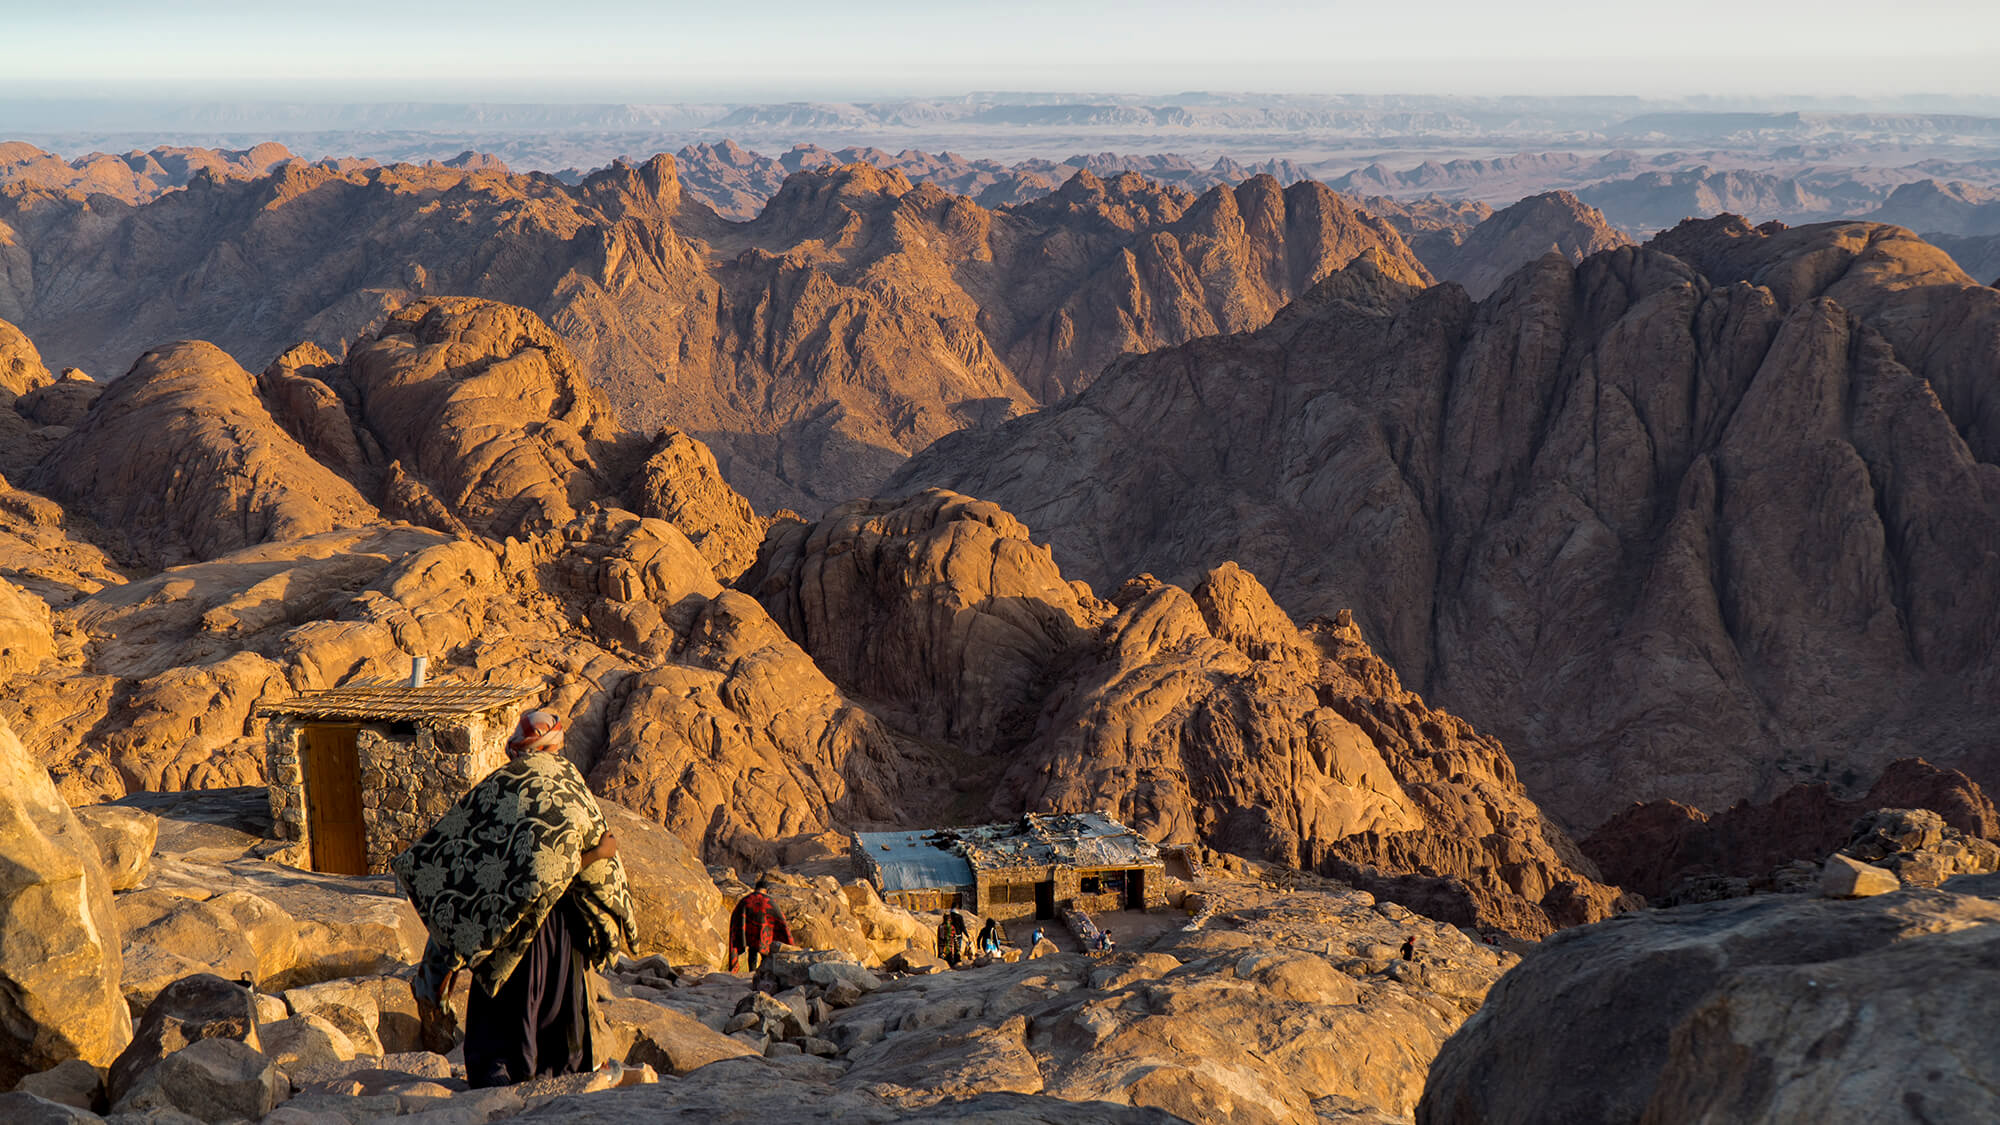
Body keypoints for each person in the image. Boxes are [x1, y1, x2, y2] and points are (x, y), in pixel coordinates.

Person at [393, 710, 636, 1089]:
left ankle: (500, 1071)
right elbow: (560, 866)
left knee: (506, 1001)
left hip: (505, 921)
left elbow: (461, 847)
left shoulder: (500, 785)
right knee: (559, 1002)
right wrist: (601, 857)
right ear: (552, 745)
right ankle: (556, 1077)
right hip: (558, 924)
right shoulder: (570, 784)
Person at [728, 878, 793, 975]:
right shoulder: (770, 901)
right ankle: (763, 974)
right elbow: (780, 919)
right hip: (765, 936)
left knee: (752, 952)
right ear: (766, 890)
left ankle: (752, 973)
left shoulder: (745, 900)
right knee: (765, 955)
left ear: (755, 888)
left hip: (749, 935)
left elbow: (736, 917)